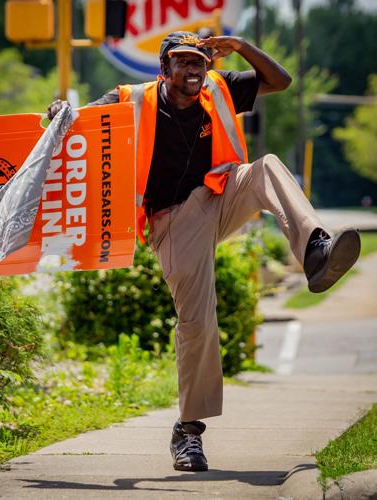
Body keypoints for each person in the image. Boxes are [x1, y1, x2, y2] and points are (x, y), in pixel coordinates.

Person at [47, 32, 361, 472]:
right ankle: (188, 432)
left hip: (220, 194)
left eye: (199, 62)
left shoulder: (219, 85)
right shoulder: (129, 100)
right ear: (164, 69)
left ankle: (316, 252)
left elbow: (282, 81)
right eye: (183, 63)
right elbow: (81, 122)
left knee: (267, 167)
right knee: (199, 320)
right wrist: (61, 113)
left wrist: (241, 46)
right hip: (173, 222)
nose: (194, 70)